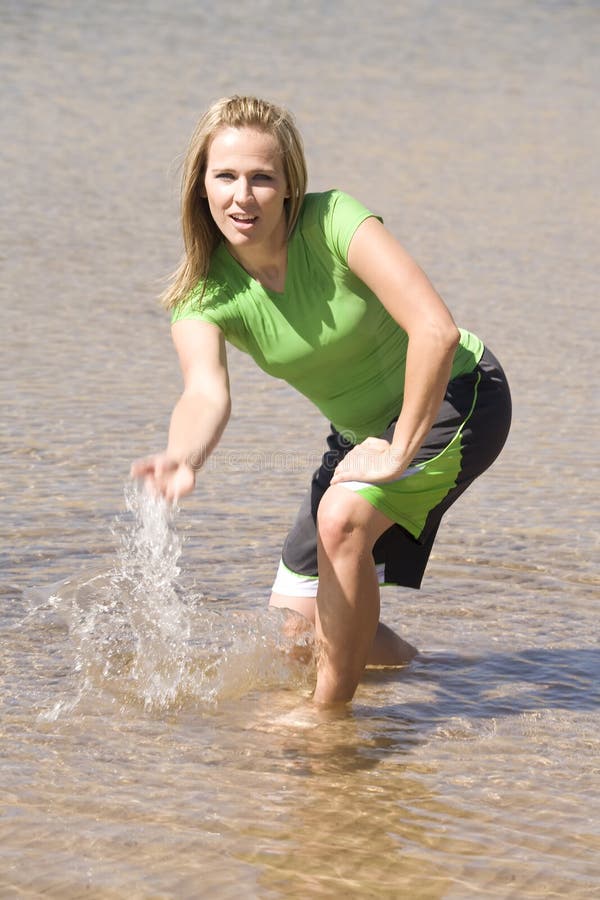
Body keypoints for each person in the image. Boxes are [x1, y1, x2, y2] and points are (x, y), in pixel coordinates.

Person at [131, 95, 512, 706]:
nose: (242, 196)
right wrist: (183, 455)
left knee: (341, 518)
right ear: (201, 186)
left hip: (460, 395)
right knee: (297, 634)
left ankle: (328, 723)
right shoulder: (203, 292)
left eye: (261, 178)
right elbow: (204, 392)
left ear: (289, 185)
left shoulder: (333, 220)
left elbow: (435, 331)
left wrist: (398, 450)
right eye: (225, 176)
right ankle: (433, 671)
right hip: (361, 434)